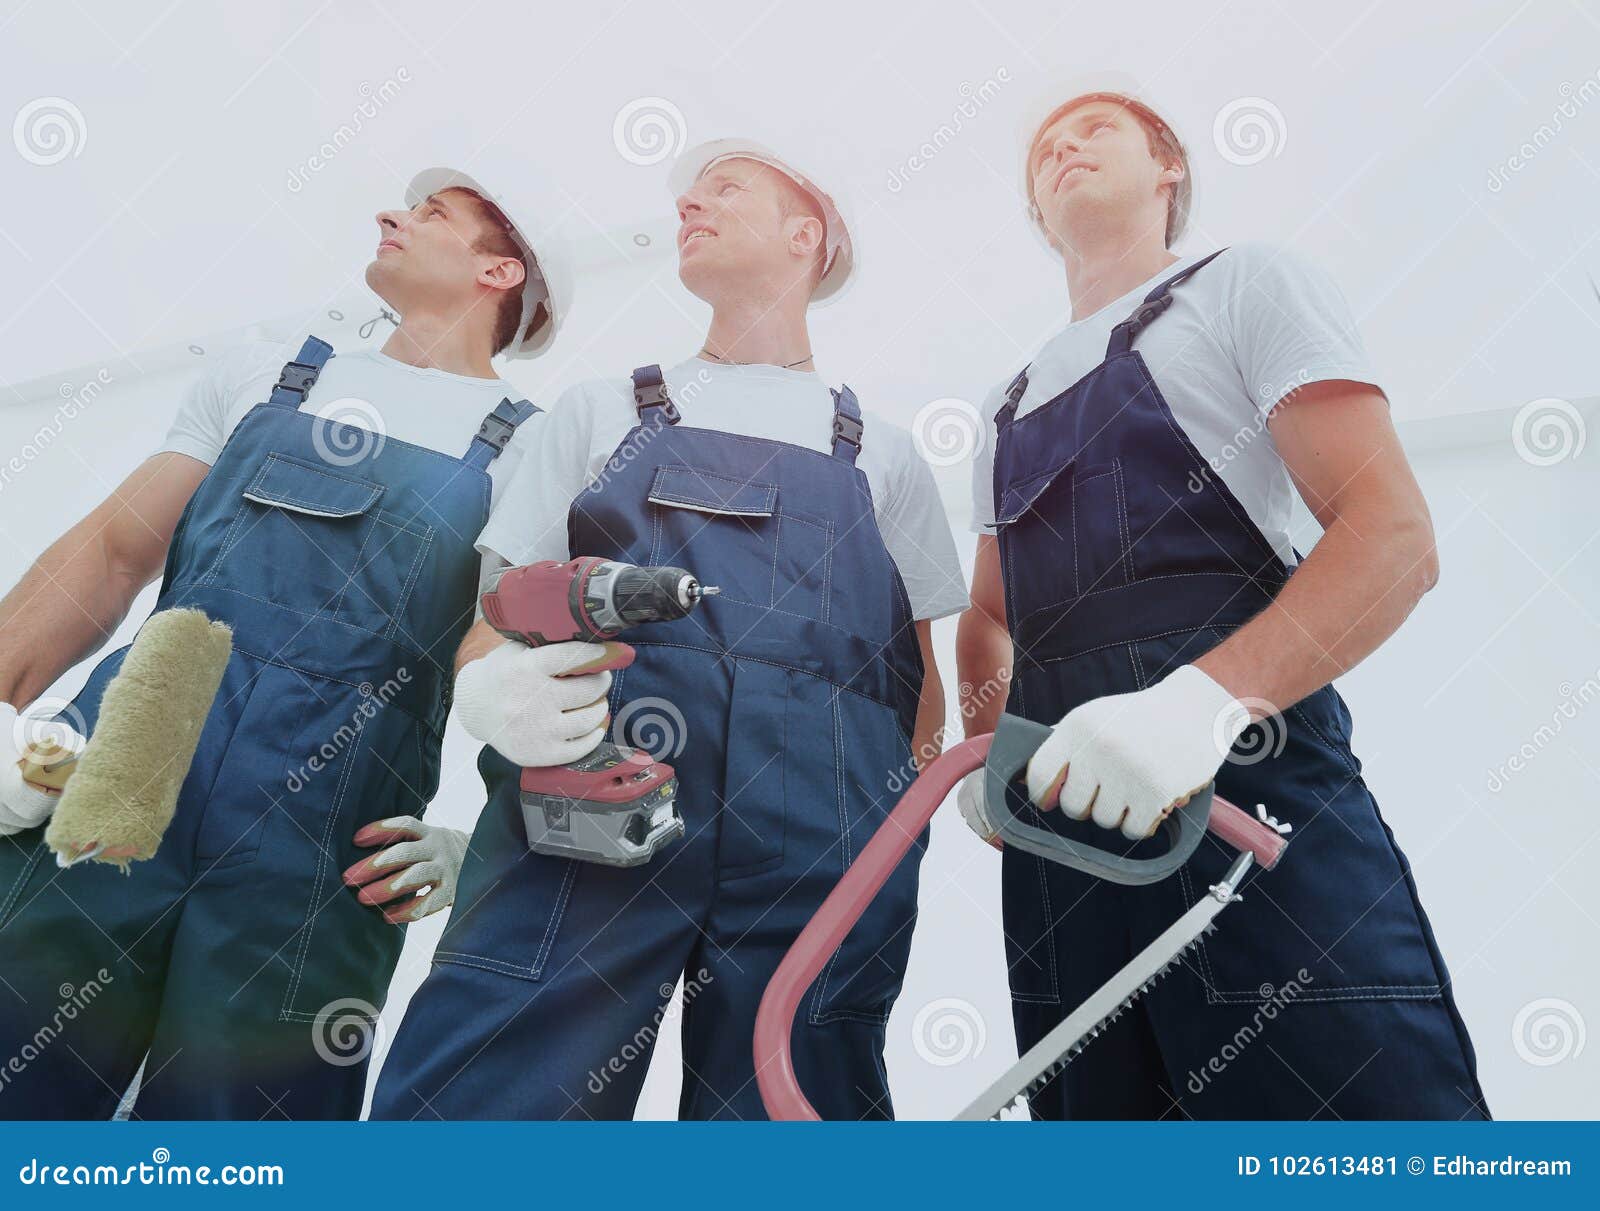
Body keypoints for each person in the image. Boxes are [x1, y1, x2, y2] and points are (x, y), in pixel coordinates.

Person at [373, 136, 968, 1121]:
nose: (690, 205)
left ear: (806, 234)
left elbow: (921, 693)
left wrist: (888, 844)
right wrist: (490, 689)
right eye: (689, 194)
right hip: (591, 816)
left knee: (791, 1116)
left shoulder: (884, 456)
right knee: (489, 1100)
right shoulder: (599, 411)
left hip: (821, 852)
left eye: (724, 189)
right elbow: (497, 614)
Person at [955, 79, 1488, 1119]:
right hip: (1061, 843)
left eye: (1096, 129)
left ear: (1169, 168)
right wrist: (987, 755)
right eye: (1044, 150)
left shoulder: (1242, 285)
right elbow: (989, 616)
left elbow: (1391, 537)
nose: (1063, 148)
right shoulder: (1006, 402)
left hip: (1245, 795)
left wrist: (1199, 707)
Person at [0, 164, 570, 1119]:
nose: (389, 213)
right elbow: (108, 554)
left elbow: (511, 668)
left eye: (431, 213)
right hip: (119, 772)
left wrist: (486, 844)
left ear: (499, 271)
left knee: (251, 1139)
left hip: (321, 848)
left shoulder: (530, 449)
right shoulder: (263, 376)